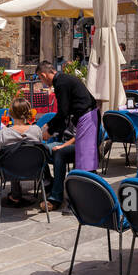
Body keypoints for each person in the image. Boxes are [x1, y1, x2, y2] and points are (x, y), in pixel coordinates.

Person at [39, 67, 96, 213]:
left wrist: (50, 131)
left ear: (43, 75)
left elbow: (63, 111)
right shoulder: (64, 80)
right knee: (79, 161)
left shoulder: (61, 83)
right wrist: (50, 125)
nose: (42, 83)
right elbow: (64, 113)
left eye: (41, 79)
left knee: (84, 164)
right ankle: (62, 197)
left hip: (86, 119)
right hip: (87, 117)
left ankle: (80, 203)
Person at [0, 97, 43, 206]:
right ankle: (16, 195)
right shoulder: (36, 130)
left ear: (11, 113)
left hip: (9, 171)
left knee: (11, 159)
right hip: (33, 170)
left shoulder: (4, 133)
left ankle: (15, 196)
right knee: (20, 156)